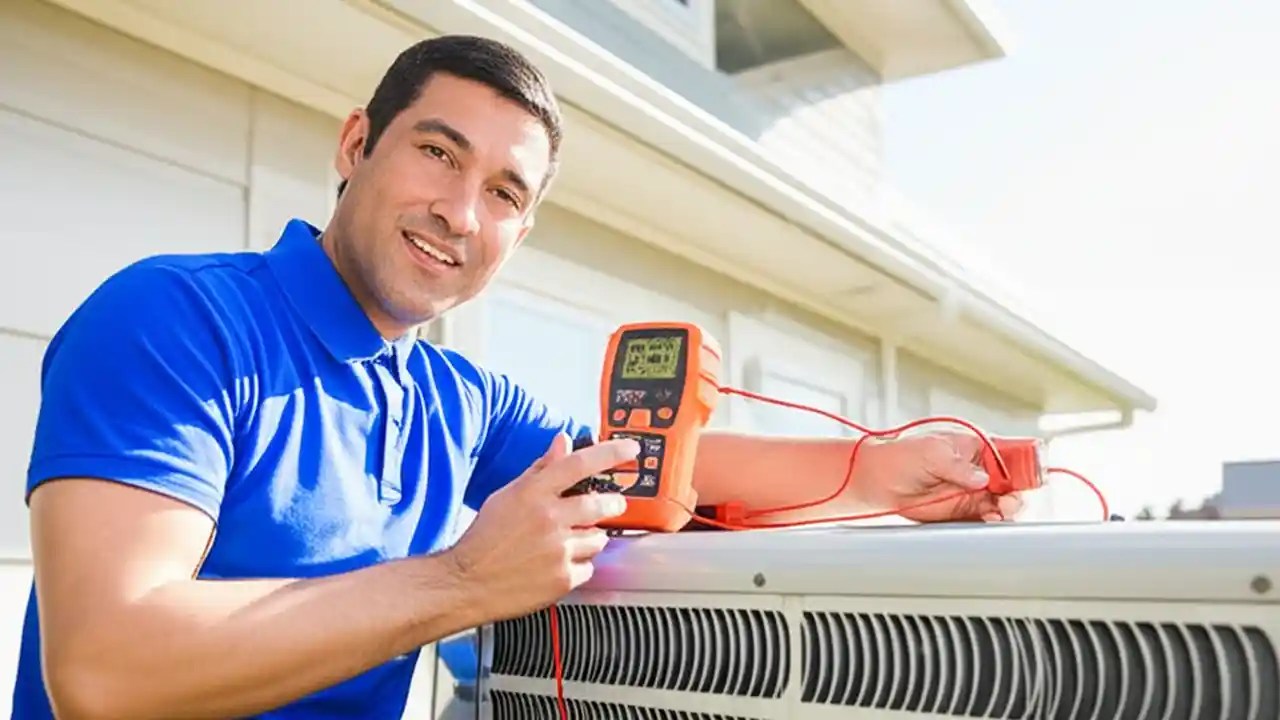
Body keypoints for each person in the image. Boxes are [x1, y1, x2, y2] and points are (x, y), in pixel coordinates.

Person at [13, 34, 1022, 719]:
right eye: (437, 155)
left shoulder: (456, 400)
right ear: (356, 144)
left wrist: (880, 470)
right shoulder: (176, 320)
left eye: (502, 191)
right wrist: (458, 583)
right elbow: (108, 667)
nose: (459, 212)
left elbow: (653, 467)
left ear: (521, 228)